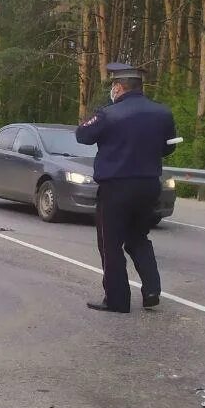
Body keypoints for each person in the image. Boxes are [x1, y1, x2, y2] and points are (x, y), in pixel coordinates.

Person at [74, 63, 177, 313]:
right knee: (138, 238)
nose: (112, 90)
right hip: (149, 186)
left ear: (119, 88)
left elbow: (82, 135)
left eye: (113, 86)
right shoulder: (162, 113)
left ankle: (118, 300)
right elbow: (169, 146)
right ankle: (152, 289)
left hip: (117, 187)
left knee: (110, 243)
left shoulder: (109, 114)